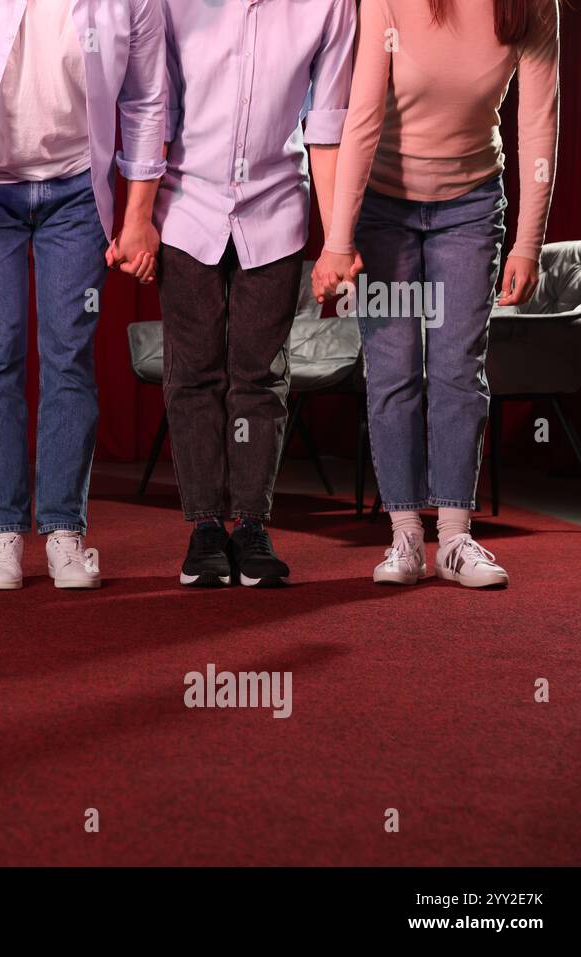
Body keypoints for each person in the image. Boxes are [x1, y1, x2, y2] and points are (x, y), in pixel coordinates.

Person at [0, 0, 166, 591]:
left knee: (68, 355)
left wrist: (138, 216)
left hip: (77, 192)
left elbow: (148, 99)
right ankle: (1, 532)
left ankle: (63, 531)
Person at [313, 0, 559, 589]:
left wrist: (528, 243)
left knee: (457, 367)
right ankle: (405, 536)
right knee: (393, 369)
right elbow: (365, 115)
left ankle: (453, 537)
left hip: (471, 208)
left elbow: (539, 120)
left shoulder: (530, 6)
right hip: (383, 208)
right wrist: (338, 239)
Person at [154, 0, 356, 588]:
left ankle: (251, 524)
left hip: (276, 208)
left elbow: (327, 123)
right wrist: (138, 215)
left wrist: (336, 238)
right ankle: (205, 528)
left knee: (262, 376)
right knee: (193, 374)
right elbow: (152, 106)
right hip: (186, 205)